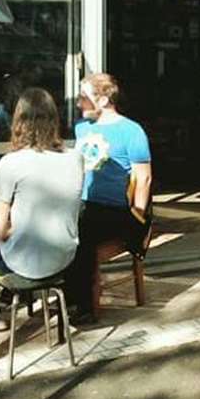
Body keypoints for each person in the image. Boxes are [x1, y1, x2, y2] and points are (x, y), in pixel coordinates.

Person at [71, 73, 152, 321]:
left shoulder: (131, 131)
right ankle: (66, 293)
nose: (78, 103)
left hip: (114, 208)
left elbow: (144, 177)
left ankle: (82, 305)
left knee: (81, 233)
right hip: (81, 204)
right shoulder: (81, 128)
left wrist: (138, 217)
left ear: (104, 99)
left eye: (84, 97)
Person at [0, 88, 85, 282]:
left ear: (18, 121)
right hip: (65, 255)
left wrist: (8, 230)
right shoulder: (76, 158)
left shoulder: (11, 162)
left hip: (20, 261)